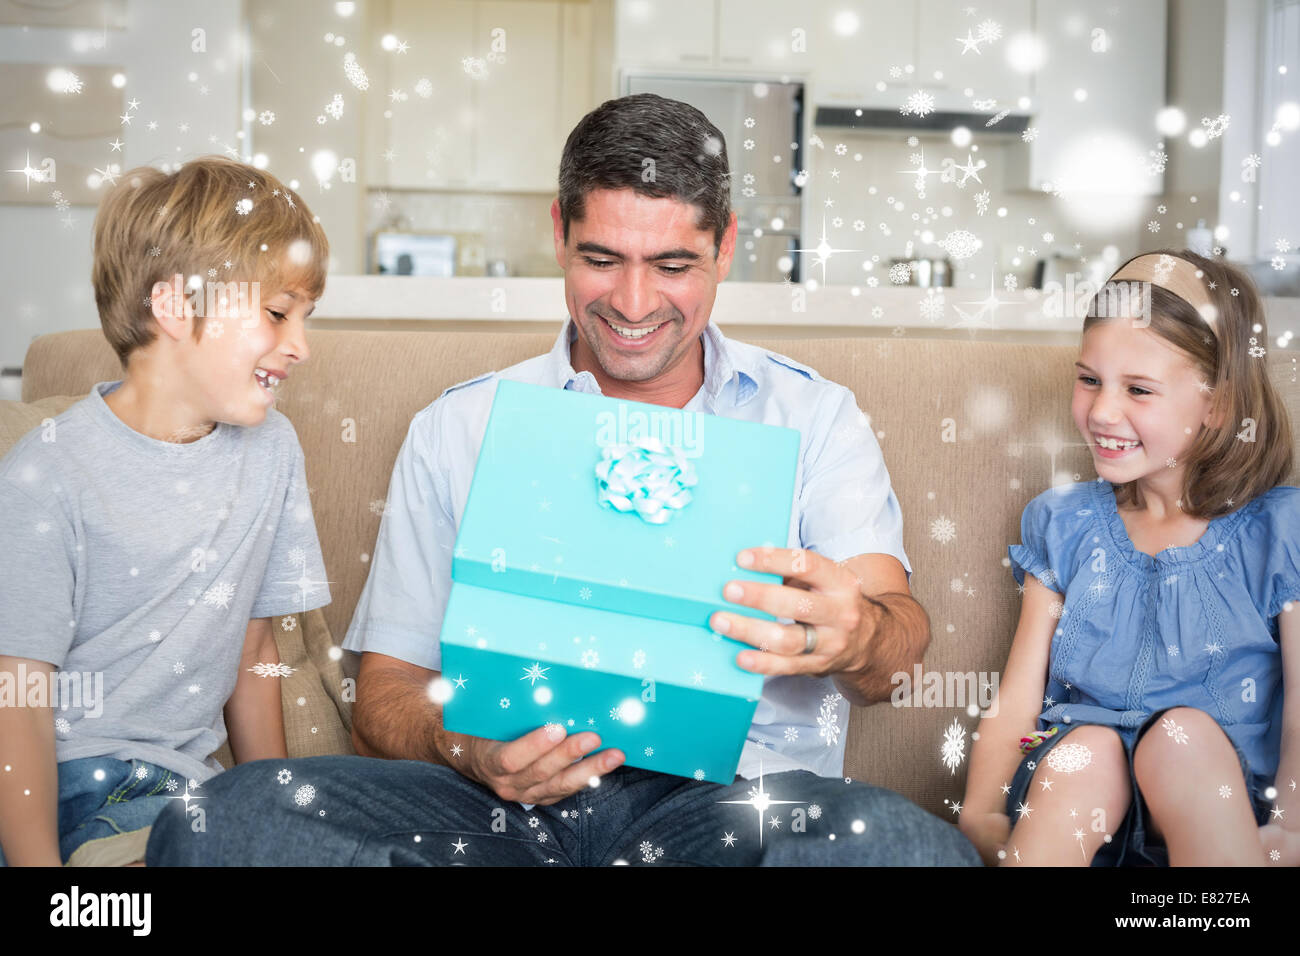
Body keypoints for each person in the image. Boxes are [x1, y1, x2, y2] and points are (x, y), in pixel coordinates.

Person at [146, 94, 979, 866]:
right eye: (602, 258)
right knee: (221, 822)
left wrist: (855, 636)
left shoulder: (813, 417)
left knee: (913, 851)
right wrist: (466, 750)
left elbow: (895, 654)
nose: (633, 300)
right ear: (559, 234)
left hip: (733, 809)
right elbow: (385, 693)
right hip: (494, 807)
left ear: (726, 246)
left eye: (674, 264)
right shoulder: (459, 427)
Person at [0, 157, 331, 867]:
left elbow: (254, 655)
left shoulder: (272, 451)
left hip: (180, 799)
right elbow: (18, 699)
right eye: (277, 314)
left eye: (304, 317)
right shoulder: (46, 474)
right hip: (62, 789)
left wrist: (271, 820)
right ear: (175, 306)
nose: (299, 345)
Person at [960, 250, 1300, 866]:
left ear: (1218, 405)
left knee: (1182, 737)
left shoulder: (1281, 530)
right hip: (1077, 807)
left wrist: (1292, 827)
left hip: (1221, 816)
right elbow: (1019, 695)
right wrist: (981, 812)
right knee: (1085, 751)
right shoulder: (1064, 523)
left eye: (1138, 389)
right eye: (1089, 379)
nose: (1101, 412)